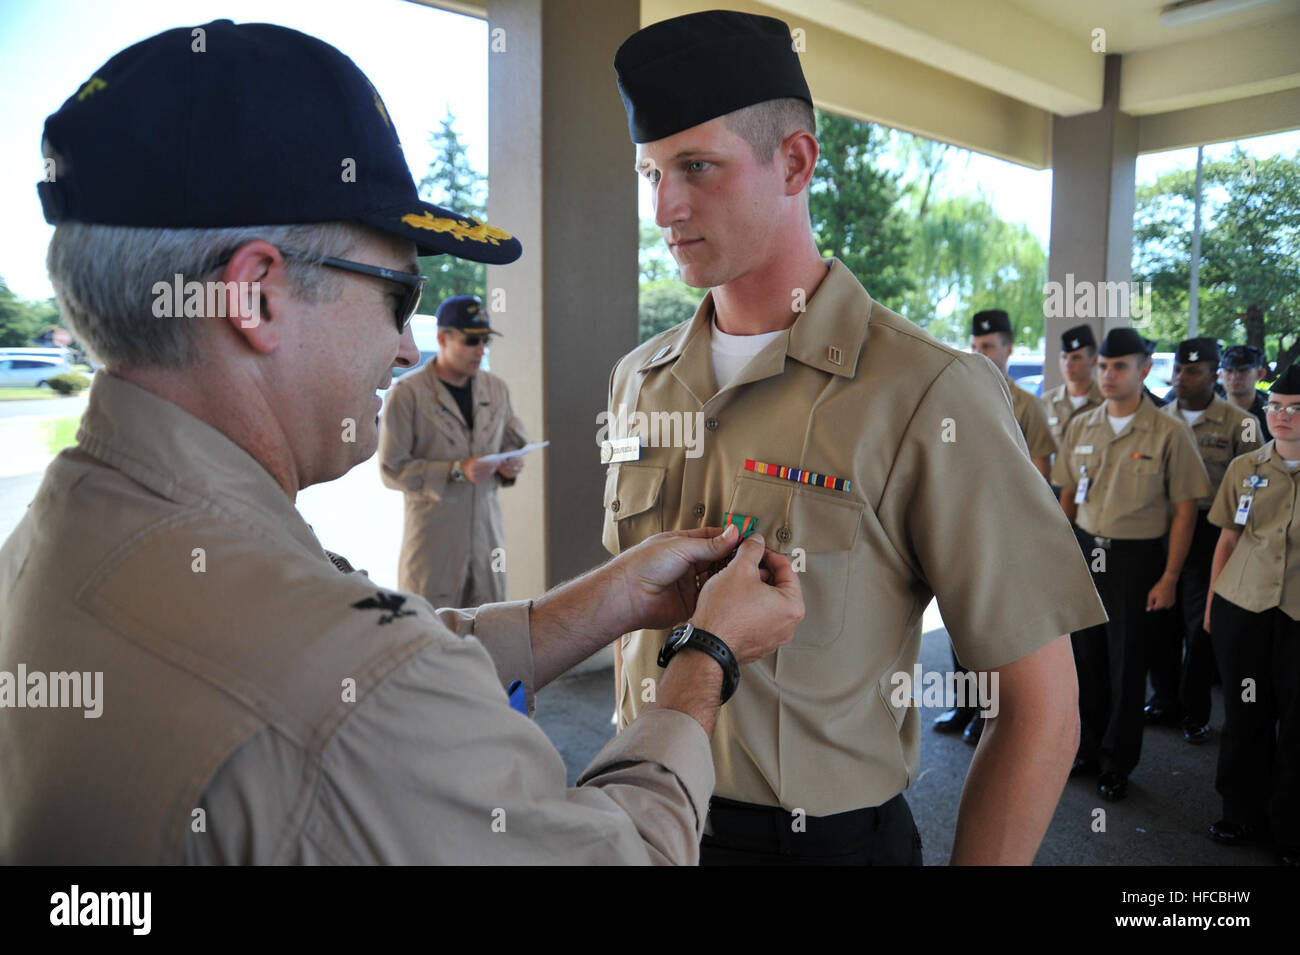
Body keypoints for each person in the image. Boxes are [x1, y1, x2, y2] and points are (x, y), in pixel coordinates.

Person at [0, 20, 806, 865]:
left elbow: (406, 651)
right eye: (398, 294)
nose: (406, 348)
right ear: (255, 299)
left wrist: (617, 600)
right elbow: (623, 853)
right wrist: (707, 655)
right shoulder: (344, 697)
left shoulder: (76, 528)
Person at [606, 9, 1107, 865]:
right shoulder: (640, 378)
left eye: (696, 167)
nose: (665, 207)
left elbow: (1040, 705)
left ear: (794, 161)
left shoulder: (924, 390)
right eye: (651, 171)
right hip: (636, 813)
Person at [1052, 329, 1212, 801]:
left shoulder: (1169, 431)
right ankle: (1085, 748)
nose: (1107, 374)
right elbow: (1067, 496)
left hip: (1136, 560)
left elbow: (1185, 509)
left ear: (1144, 370)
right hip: (1086, 550)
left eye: (1119, 366)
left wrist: (1168, 576)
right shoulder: (1083, 425)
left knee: (1126, 663)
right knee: (1086, 658)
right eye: (1103, 366)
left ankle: (1117, 761)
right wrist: (1063, 556)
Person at [933, 308, 1058, 744]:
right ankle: (964, 704)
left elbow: (1041, 476)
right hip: (958, 526)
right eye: (975, 345)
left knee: (993, 630)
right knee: (957, 624)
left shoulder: (1028, 406)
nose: (979, 353)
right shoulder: (955, 396)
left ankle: (989, 715)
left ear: (1008, 349)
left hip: (1004, 533)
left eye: (988, 346)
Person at [1203, 364, 1300, 866]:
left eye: (1295, 408)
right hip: (1243, 608)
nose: (1281, 416)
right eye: (1275, 405)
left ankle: (1292, 829)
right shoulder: (1247, 468)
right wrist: (1211, 607)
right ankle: (1241, 813)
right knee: (1246, 714)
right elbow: (1228, 538)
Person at [1144, 338, 1259, 742]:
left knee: (1200, 625)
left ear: (1214, 375)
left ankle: (1195, 711)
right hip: (1163, 529)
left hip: (1211, 532)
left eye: (1193, 371)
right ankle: (1163, 700)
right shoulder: (1158, 416)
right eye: (1178, 369)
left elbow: (1253, 486)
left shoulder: (1239, 423)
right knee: (1159, 619)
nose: (1181, 377)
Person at [379, 294, 527, 607]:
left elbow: (513, 439)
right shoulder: (408, 395)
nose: (481, 350)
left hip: (487, 538)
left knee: (491, 628)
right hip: (434, 543)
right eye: (471, 341)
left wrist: (511, 461)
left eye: (485, 340)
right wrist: (456, 469)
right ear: (442, 338)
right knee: (433, 634)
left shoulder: (496, 388)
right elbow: (392, 470)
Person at [1042, 324, 1103, 450]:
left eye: (1076, 358)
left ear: (1094, 360)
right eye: (1064, 357)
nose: (1068, 364)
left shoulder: (1105, 402)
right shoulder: (1046, 403)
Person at [1220, 344, 1272, 443]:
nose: (1234, 377)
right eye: (1229, 371)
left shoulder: (1273, 411)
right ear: (1221, 374)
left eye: (1243, 371)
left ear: (1260, 374)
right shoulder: (1209, 408)